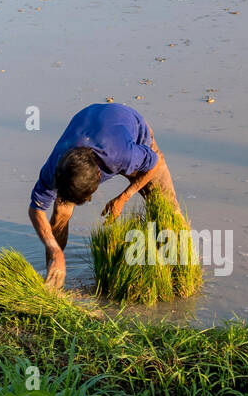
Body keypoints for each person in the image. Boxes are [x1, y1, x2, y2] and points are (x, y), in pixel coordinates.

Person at [28, 103, 179, 289]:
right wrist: (55, 250)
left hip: (131, 129)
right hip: (91, 123)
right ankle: (54, 278)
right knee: (61, 213)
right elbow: (36, 209)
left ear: (99, 176)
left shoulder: (123, 155)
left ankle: (176, 273)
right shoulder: (57, 166)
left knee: (165, 205)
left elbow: (155, 164)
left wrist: (124, 197)